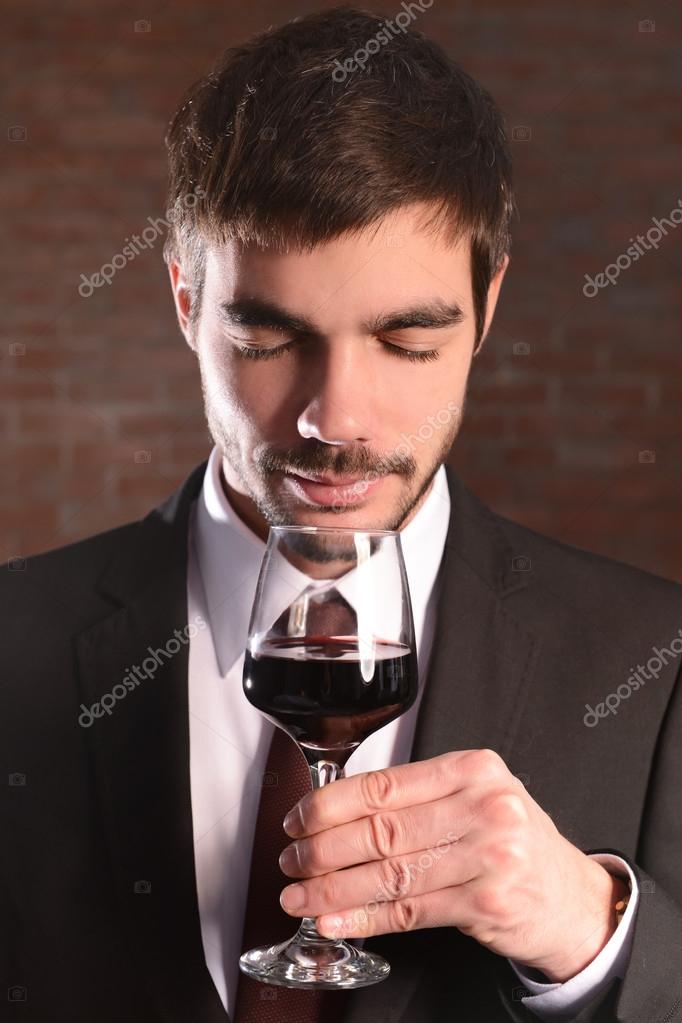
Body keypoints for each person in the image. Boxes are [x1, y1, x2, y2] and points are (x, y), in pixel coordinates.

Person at [2, 6, 681, 1022]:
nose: (335, 419)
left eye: (407, 341)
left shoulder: (655, 658)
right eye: (270, 337)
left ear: (487, 310)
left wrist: (590, 928)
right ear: (186, 298)